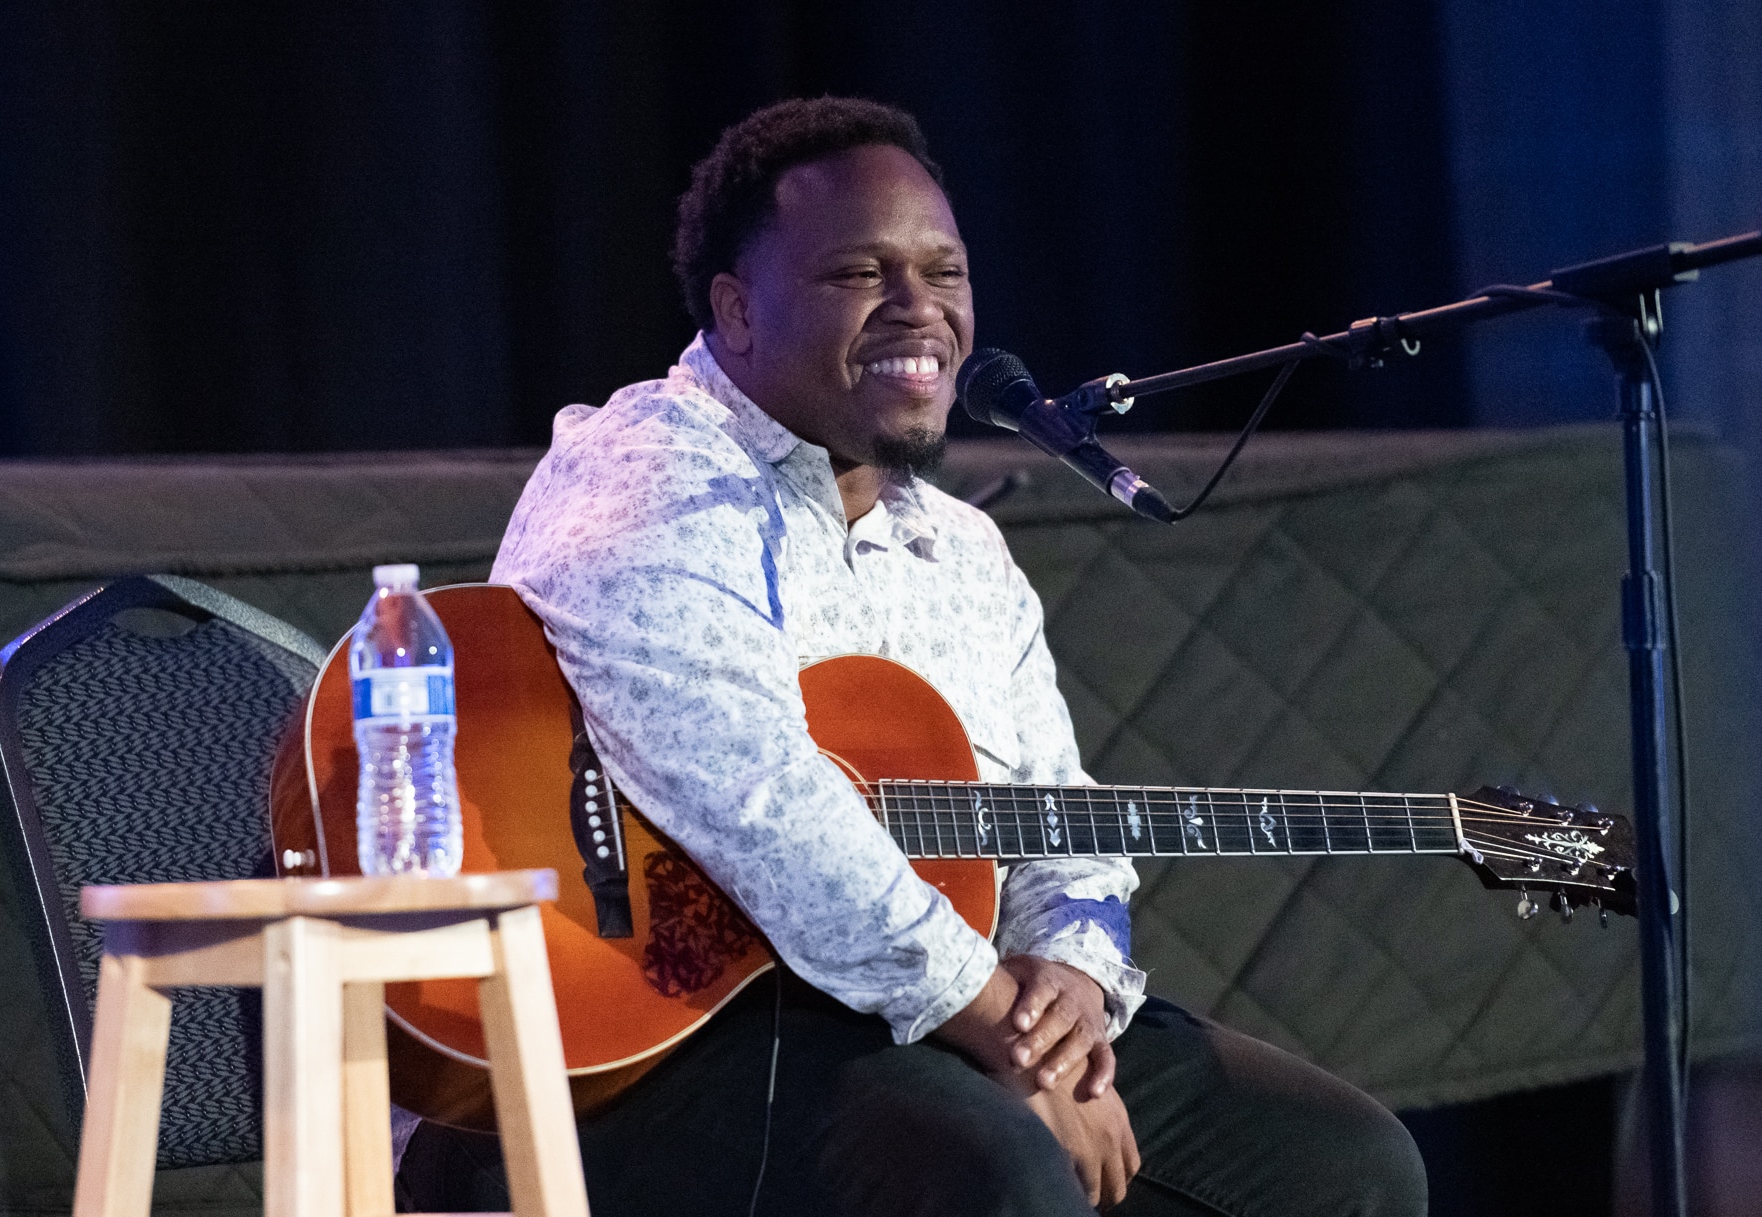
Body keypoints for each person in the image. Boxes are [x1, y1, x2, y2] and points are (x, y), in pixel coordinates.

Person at [408, 97, 1425, 1217]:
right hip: (655, 1039)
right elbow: (761, 801)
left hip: (914, 1016)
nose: (920, 311)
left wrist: (1072, 984)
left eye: (944, 273)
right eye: (860, 274)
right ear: (736, 312)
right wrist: (995, 1026)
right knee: (992, 1172)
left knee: (1344, 1165)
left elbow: (1052, 806)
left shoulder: (961, 549)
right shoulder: (649, 479)